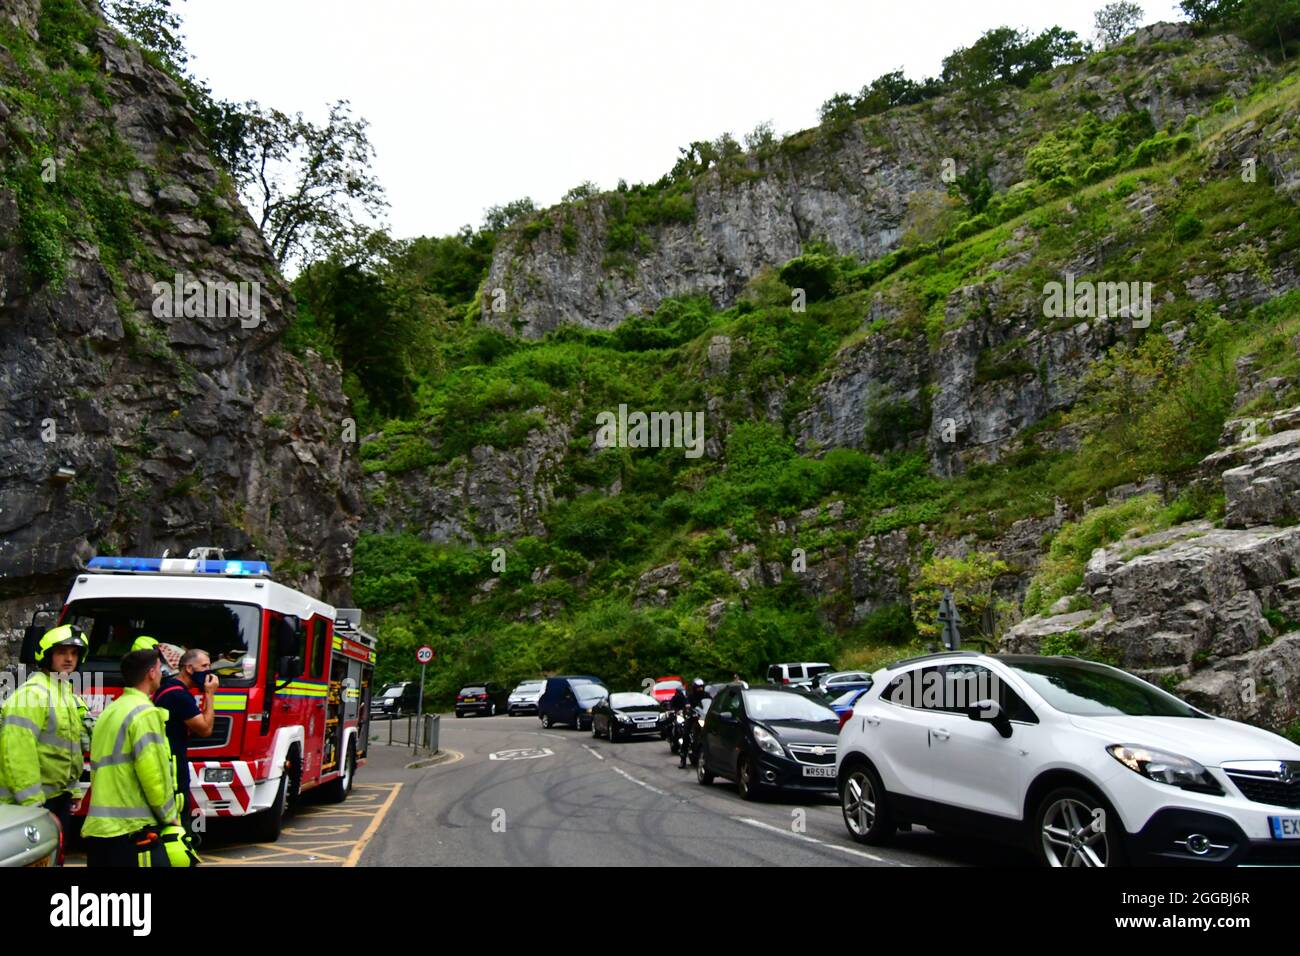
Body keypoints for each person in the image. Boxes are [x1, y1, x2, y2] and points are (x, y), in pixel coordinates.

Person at [82, 649, 191, 867]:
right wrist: (170, 815)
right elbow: (154, 775)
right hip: (132, 830)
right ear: (151, 673)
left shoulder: (111, 710)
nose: (161, 674)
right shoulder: (145, 713)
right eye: (160, 669)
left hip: (99, 829)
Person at [0, 626, 90, 832]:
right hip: (28, 804)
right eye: (62, 652)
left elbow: (70, 748)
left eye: (74, 653)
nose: (69, 659)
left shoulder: (65, 692)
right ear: (48, 656)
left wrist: (73, 790)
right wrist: (33, 803)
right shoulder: (32, 695)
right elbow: (17, 753)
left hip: (57, 799)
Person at [153, 647, 217, 834]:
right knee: (181, 818)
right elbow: (206, 729)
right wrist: (210, 694)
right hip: (173, 767)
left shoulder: (169, 688)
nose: (208, 672)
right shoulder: (179, 695)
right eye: (204, 666)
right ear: (189, 669)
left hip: (167, 761)